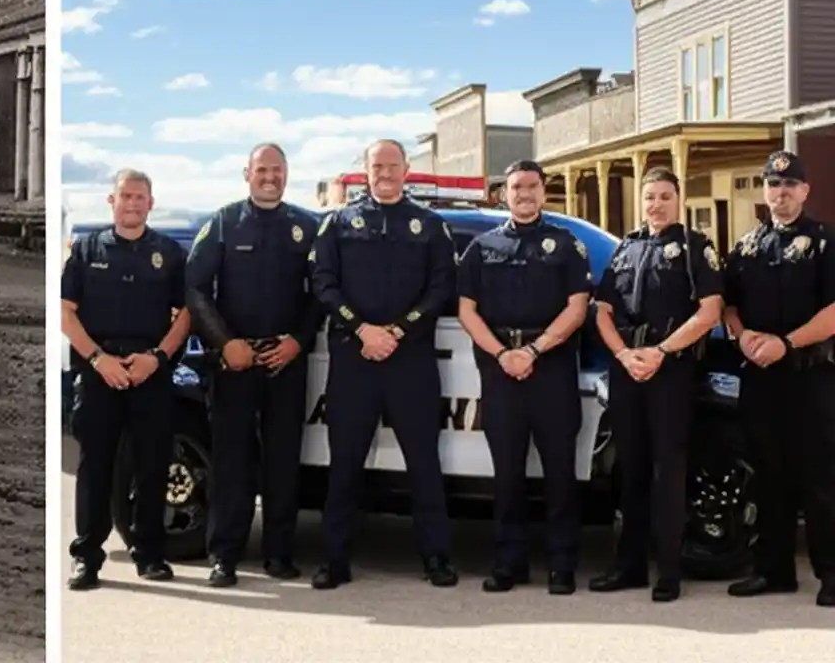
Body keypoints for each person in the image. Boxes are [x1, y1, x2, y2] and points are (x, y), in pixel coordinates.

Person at [308, 139, 458, 590]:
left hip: (409, 359)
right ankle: (334, 560)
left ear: (407, 169)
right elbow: (322, 283)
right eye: (378, 166)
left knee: (423, 464)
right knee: (345, 464)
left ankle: (436, 557)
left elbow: (441, 287)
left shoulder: (430, 225)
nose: (386, 173)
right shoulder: (338, 222)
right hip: (355, 359)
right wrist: (362, 330)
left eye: (393, 165)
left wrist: (397, 331)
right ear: (366, 170)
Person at [185, 142, 323, 587]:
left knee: (283, 462)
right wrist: (226, 345)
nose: (270, 177)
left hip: (285, 363)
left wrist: (298, 342)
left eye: (277, 170)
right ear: (247, 173)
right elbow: (196, 289)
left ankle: (279, 554)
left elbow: (321, 292)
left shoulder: (307, 227)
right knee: (232, 463)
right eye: (262, 169)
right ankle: (224, 555)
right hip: (235, 365)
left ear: (287, 174)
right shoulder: (223, 223)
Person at [456, 159, 592, 595]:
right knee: (507, 473)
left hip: (550, 366)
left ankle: (562, 565)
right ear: (504, 193)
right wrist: (502, 354)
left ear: (543, 191)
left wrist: (534, 350)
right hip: (501, 369)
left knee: (559, 473)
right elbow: (466, 311)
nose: (524, 193)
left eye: (532, 186)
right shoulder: (482, 247)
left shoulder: (565, 245)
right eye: (516, 187)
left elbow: (577, 307)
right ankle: (508, 564)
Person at [588, 167, 724, 603]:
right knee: (631, 470)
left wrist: (661, 352)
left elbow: (709, 312)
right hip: (628, 369)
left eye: (665, 196)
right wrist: (625, 355)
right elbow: (603, 311)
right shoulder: (627, 247)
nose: (656, 204)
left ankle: (668, 572)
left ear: (678, 199)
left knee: (669, 472)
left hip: (671, 370)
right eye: (650, 196)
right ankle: (628, 566)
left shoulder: (694, 249)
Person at [61, 168, 191, 591]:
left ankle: (149, 554)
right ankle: (87, 558)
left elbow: (184, 315)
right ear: (111, 201)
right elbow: (66, 314)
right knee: (95, 467)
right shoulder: (87, 249)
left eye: (140, 197)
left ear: (151, 203)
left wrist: (157, 357)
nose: (132, 203)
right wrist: (99, 360)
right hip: (101, 372)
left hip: (149, 371)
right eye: (125, 196)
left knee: (152, 466)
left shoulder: (169, 254)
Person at [722, 151, 835, 608]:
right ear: (765, 190)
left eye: (790, 185)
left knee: (821, 480)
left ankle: (831, 575)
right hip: (761, 379)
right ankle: (773, 571)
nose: (781, 192)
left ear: (805, 191)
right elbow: (728, 304)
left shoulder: (826, 242)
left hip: (810, 378)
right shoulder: (747, 246)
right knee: (768, 477)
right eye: (773, 184)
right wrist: (744, 335)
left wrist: (786, 344)